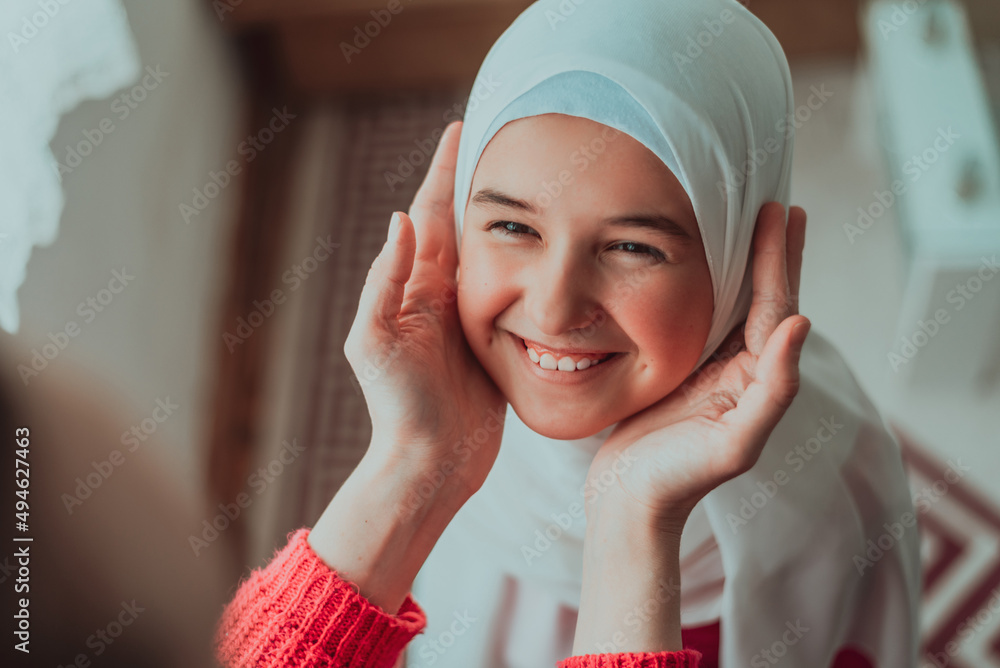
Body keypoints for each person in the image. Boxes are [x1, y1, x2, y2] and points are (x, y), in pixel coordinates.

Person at [216, 1, 920, 666]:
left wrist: (634, 512)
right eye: (514, 228)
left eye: (633, 248)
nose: (553, 312)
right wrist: (413, 462)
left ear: (741, 260)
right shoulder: (452, 461)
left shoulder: (838, 487)